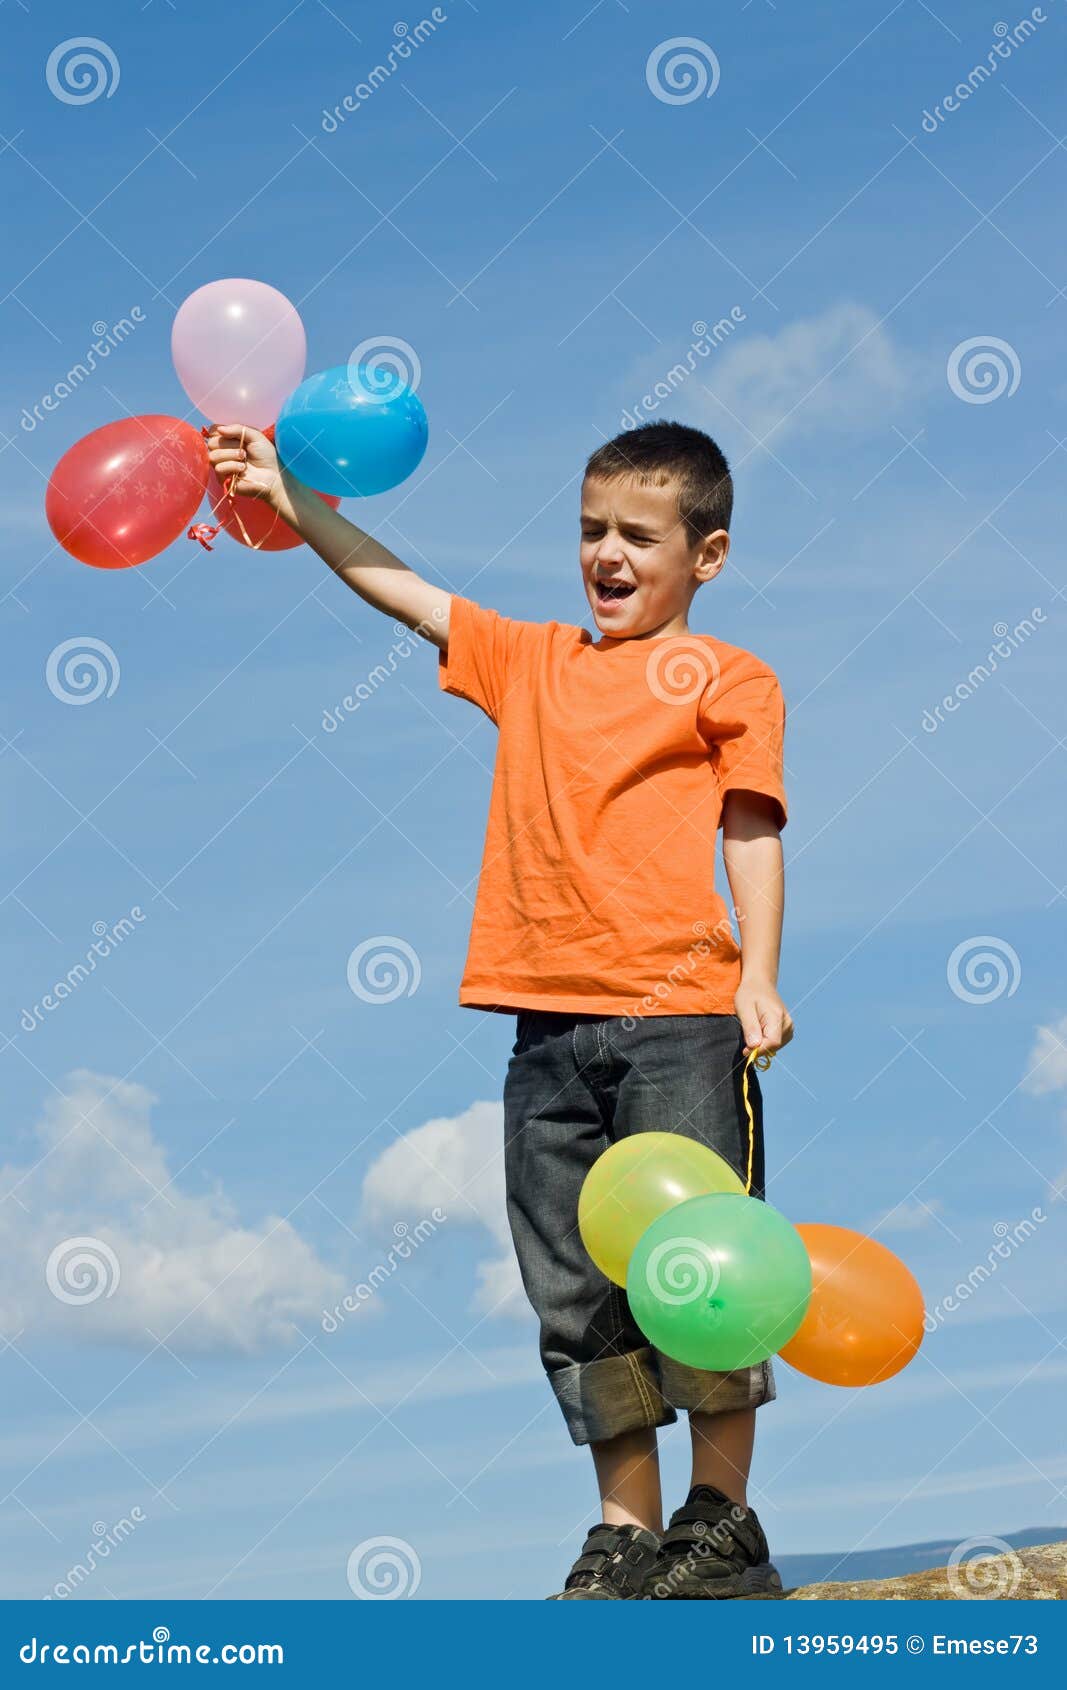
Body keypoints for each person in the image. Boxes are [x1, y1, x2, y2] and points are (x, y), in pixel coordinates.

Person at [205, 416, 795, 1600]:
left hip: (680, 1016)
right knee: (574, 1290)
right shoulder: (530, 662)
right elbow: (398, 588)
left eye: (638, 534)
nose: (606, 554)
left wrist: (757, 976)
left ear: (706, 555)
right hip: (543, 1033)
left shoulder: (731, 678)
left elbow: (749, 822)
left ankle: (721, 1520)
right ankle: (625, 1533)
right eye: (589, 530)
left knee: (700, 1273)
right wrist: (287, 494)